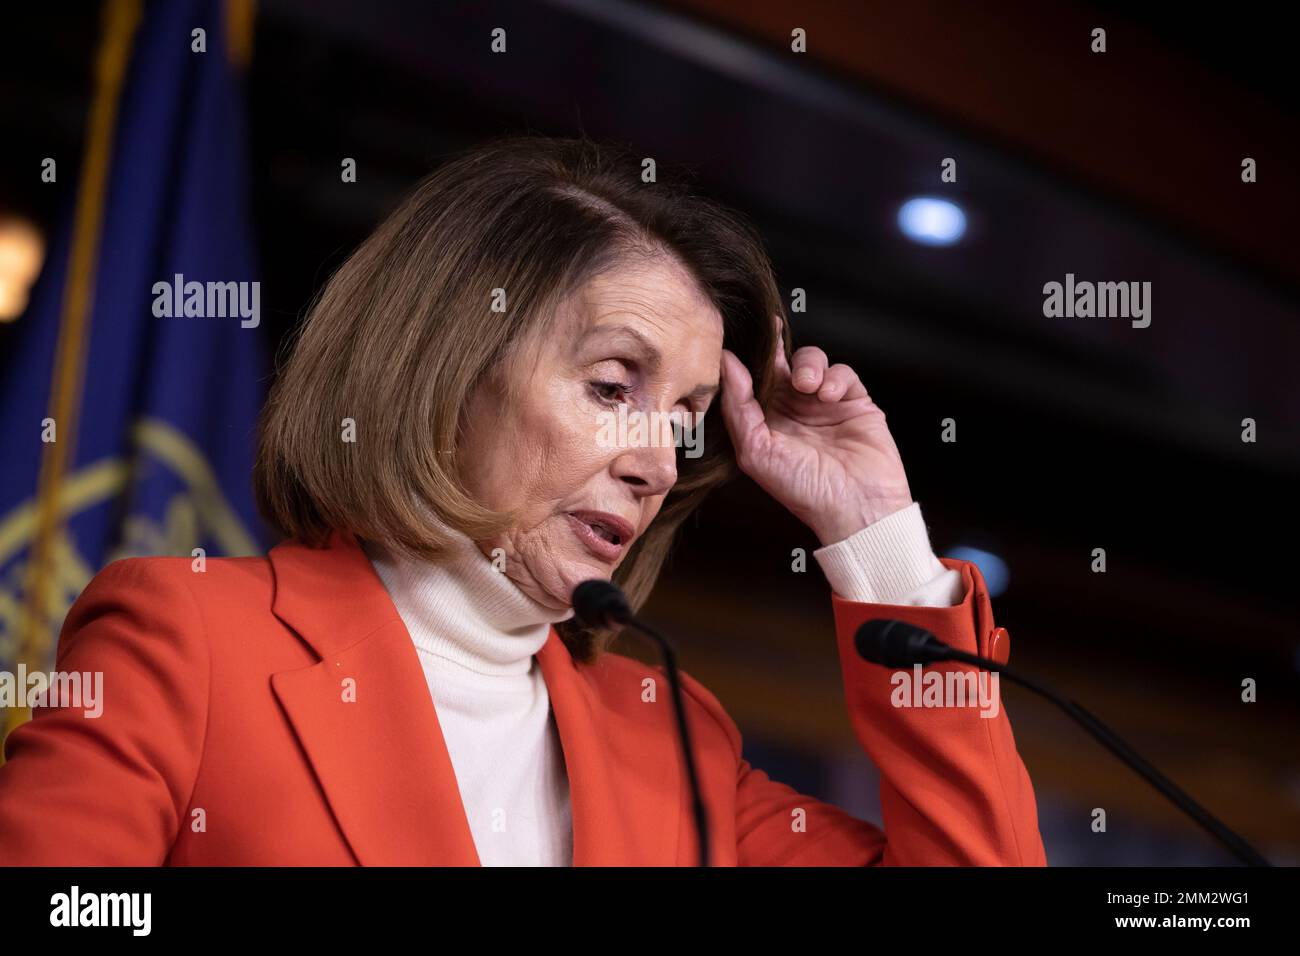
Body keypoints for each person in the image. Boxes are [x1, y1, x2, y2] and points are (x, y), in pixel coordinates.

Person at [0, 135, 1045, 866]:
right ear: (444, 370)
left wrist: (879, 539)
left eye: (684, 418)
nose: (657, 461)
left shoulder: (672, 733)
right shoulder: (191, 636)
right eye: (610, 386)